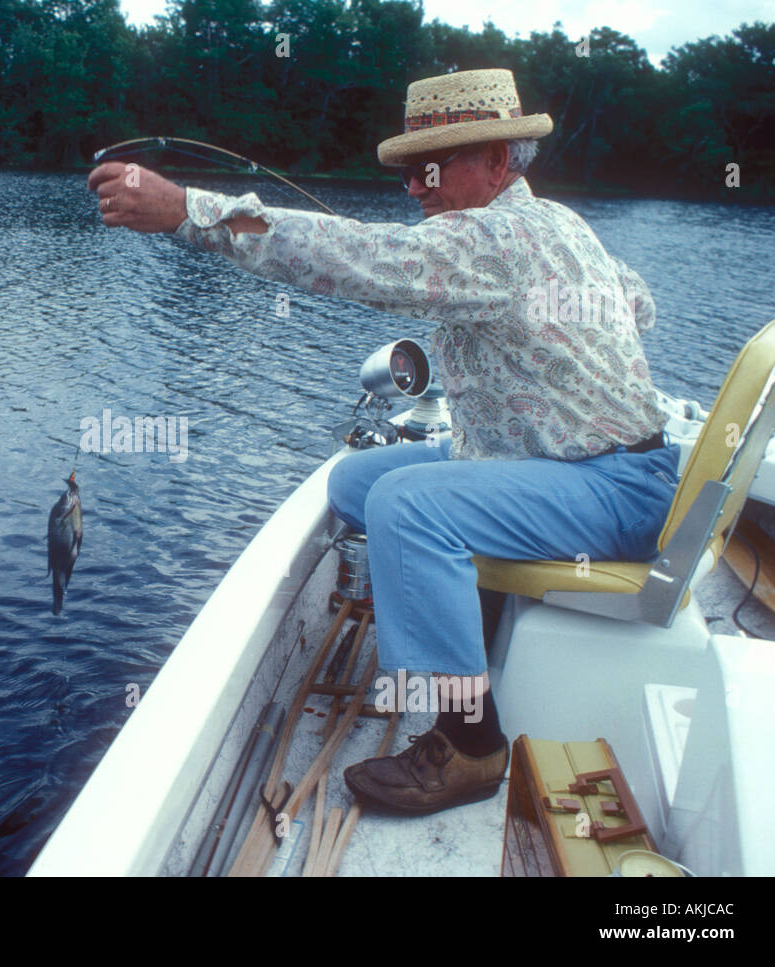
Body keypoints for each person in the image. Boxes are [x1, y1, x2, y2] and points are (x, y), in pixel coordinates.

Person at [87, 68, 678, 814]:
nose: (414, 185)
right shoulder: (557, 223)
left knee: (406, 503)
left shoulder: (494, 238)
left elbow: (351, 258)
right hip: (582, 464)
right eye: (406, 169)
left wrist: (187, 211)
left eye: (433, 165)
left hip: (615, 490)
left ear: (498, 162)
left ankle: (470, 742)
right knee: (355, 482)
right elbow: (641, 302)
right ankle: (457, 608)